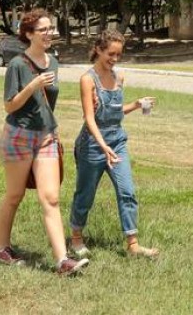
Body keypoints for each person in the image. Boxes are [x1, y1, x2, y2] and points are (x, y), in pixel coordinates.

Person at [0, 9, 88, 276]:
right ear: (29, 34)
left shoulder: (53, 62)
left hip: (46, 135)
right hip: (19, 136)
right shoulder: (17, 65)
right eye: (44, 29)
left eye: (51, 29)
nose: (50, 33)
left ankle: (62, 261)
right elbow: (9, 106)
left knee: (51, 198)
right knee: (14, 195)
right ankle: (1, 248)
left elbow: (50, 102)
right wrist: (32, 85)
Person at [69, 30, 158, 259]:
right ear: (98, 49)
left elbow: (115, 111)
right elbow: (89, 118)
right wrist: (102, 146)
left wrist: (137, 104)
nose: (115, 59)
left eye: (118, 55)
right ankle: (76, 238)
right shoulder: (87, 79)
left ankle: (133, 244)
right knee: (85, 194)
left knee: (127, 190)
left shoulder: (119, 78)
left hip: (117, 142)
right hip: (92, 144)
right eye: (111, 54)